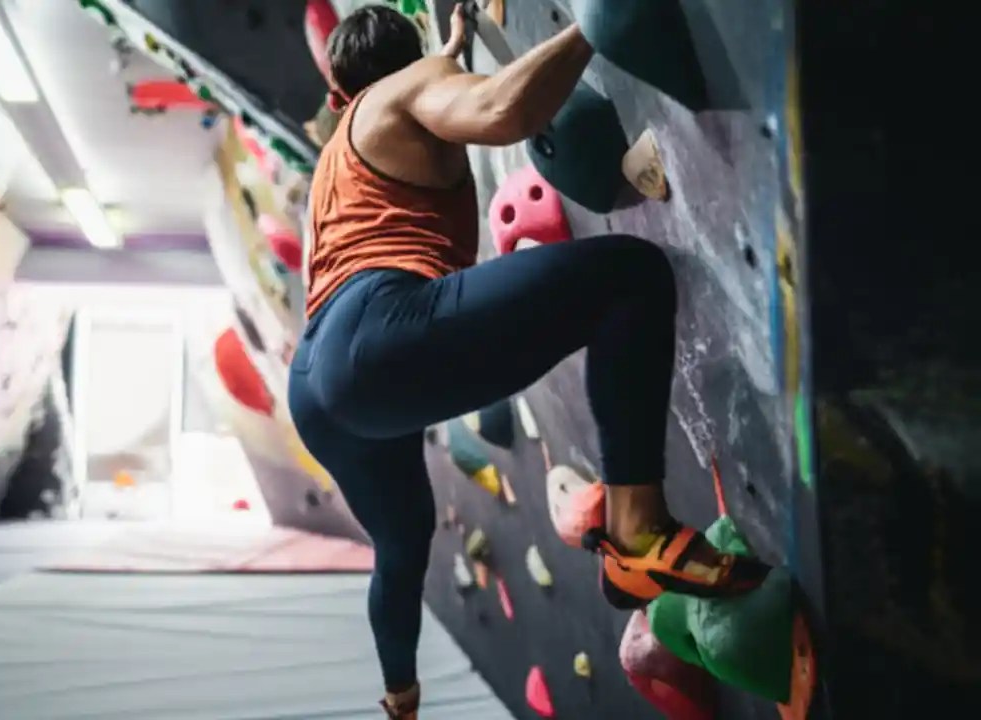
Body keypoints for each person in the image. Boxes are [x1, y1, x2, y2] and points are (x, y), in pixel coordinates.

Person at [288, 5, 769, 718]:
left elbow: (433, 107)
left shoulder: (336, 156)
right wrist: (591, 27)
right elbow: (499, 107)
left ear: (335, 96)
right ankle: (637, 528)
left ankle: (399, 698)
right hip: (377, 338)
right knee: (629, 278)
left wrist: (447, 53)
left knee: (402, 545)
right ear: (413, 58)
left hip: (318, 389)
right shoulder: (408, 87)